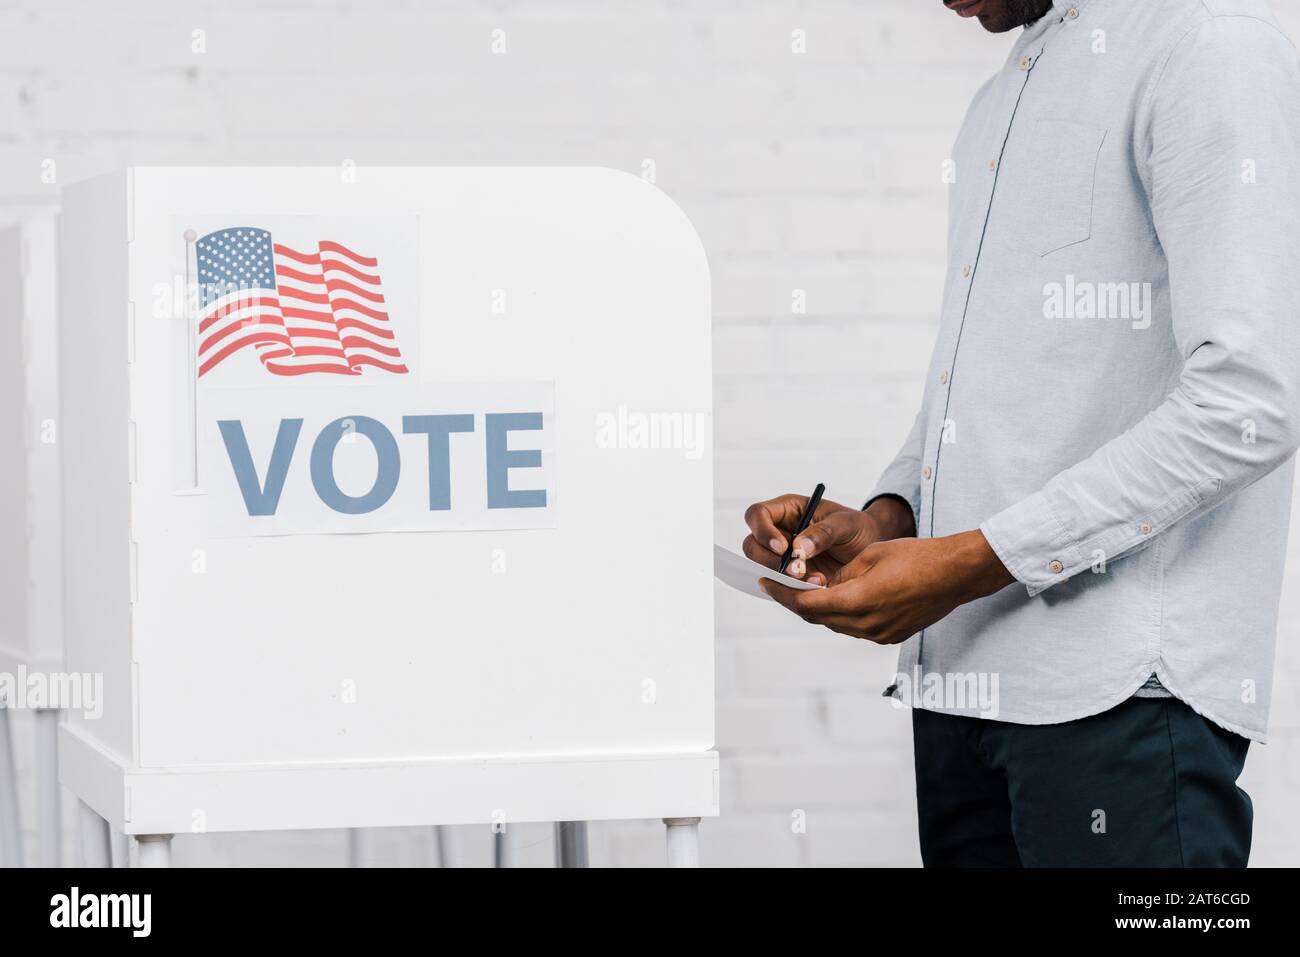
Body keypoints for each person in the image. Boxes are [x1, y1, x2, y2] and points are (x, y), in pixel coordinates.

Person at [743, 0, 1300, 866]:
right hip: (964, 699)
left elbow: (1250, 403)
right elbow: (987, 374)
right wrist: (895, 515)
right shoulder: (996, 103)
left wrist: (970, 561)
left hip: (1122, 703)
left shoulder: (1208, 43)